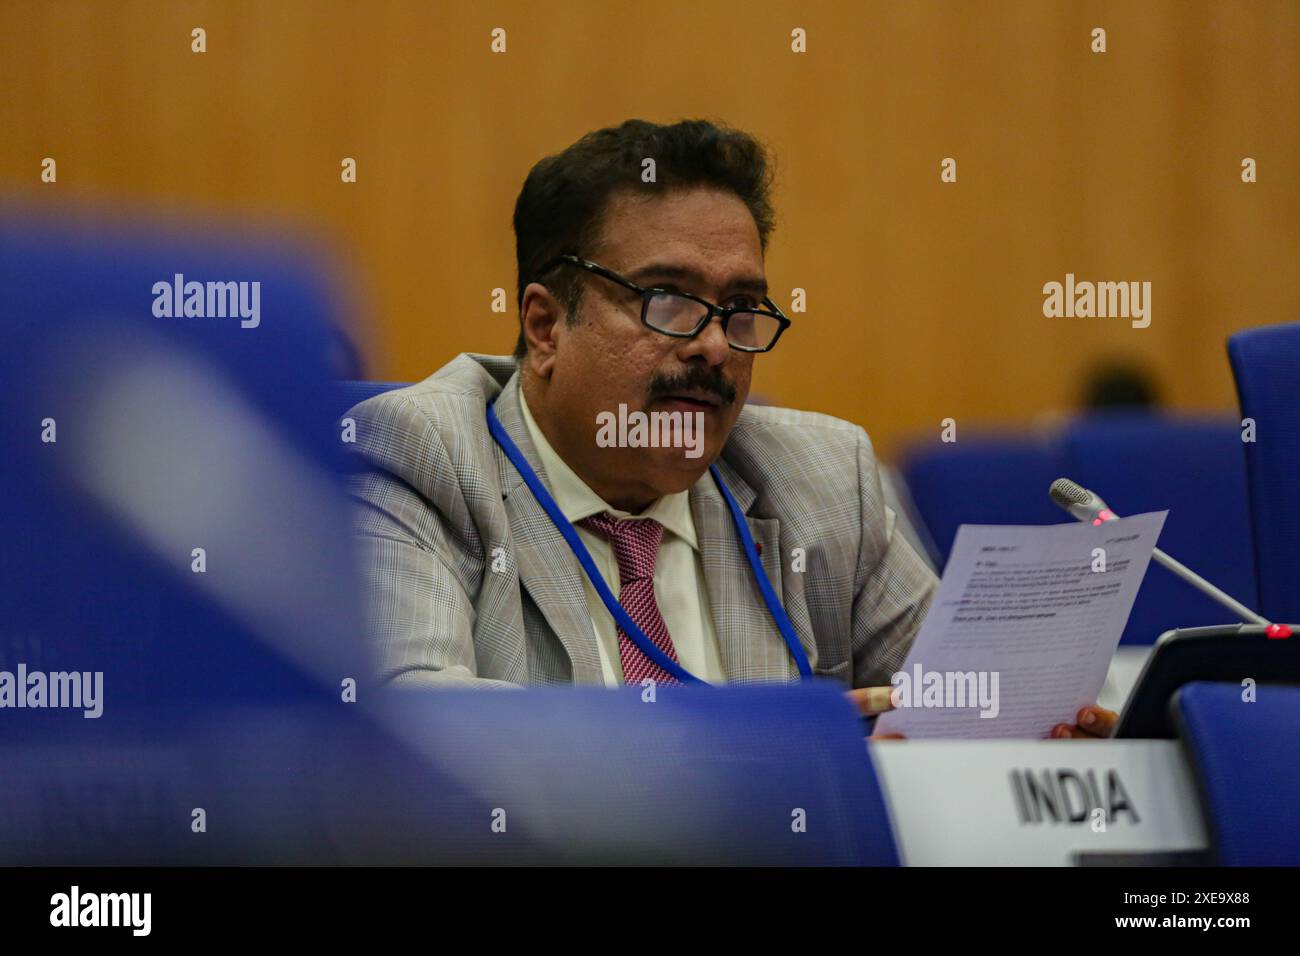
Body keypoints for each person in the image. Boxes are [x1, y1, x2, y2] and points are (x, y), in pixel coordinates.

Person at [346, 118, 1112, 739]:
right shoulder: (421, 453)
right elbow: (410, 724)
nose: (714, 345)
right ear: (545, 327)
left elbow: (969, 703)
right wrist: (732, 749)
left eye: (740, 307)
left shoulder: (823, 478)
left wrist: (1034, 728)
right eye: (667, 299)